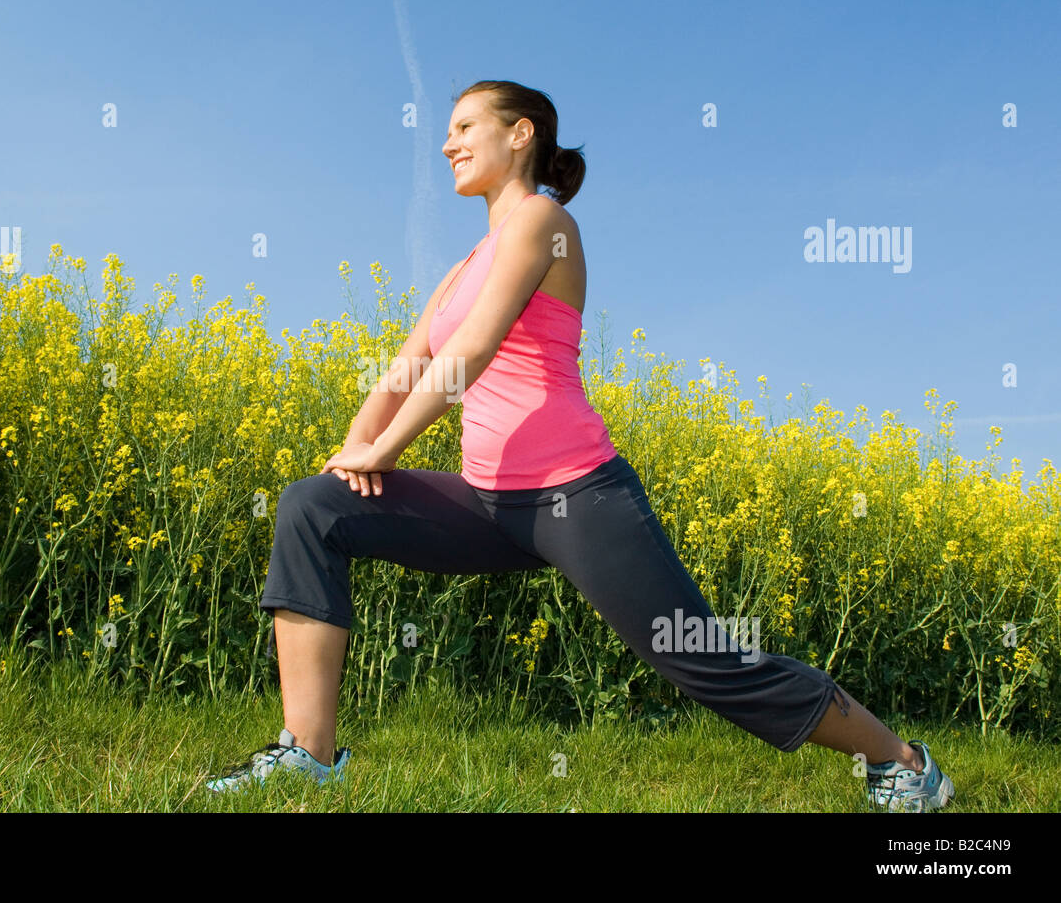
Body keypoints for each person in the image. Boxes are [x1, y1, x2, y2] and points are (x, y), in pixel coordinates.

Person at [206, 80, 953, 812]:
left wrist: (388, 450)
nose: (448, 143)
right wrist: (355, 445)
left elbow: (472, 348)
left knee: (703, 660)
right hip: (485, 502)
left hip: (576, 494)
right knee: (314, 507)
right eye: (448, 131)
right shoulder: (461, 267)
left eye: (466, 127)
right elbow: (408, 366)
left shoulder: (543, 222)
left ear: (521, 133)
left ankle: (902, 762)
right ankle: (309, 754)